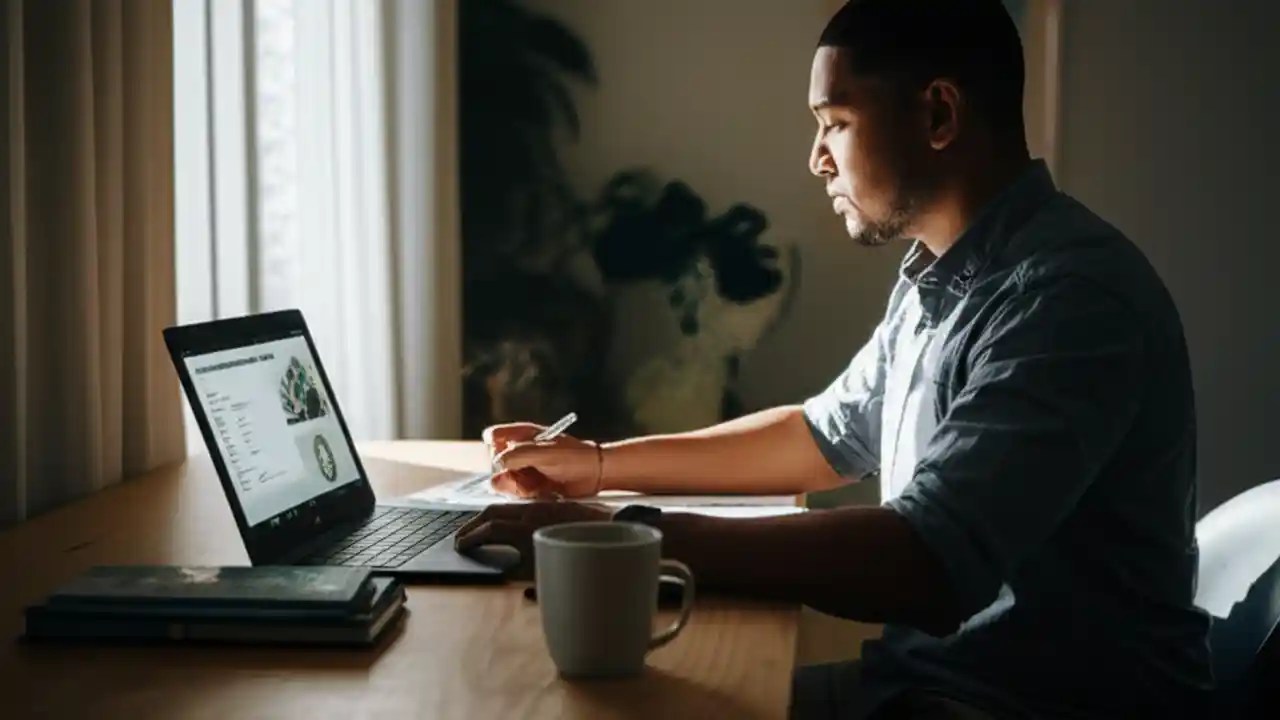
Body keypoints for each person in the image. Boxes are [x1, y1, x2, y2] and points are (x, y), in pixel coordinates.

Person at [455, 0, 1213, 717]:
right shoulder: (937, 277)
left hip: (1022, 707)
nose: (816, 158)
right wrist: (597, 465)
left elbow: (924, 562)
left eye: (836, 122)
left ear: (939, 114)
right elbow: (820, 437)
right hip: (940, 686)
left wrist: (623, 539)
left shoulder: (1066, 299)